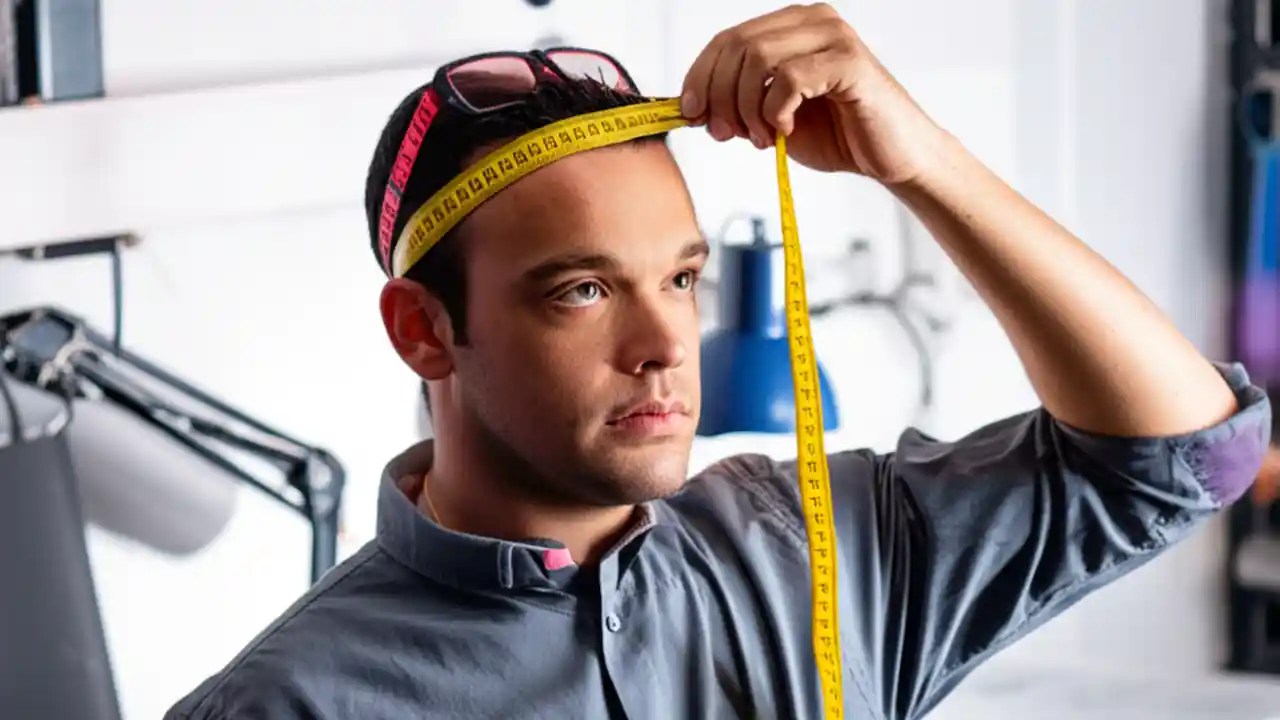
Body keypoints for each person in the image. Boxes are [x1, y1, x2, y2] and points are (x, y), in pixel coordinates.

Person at [165, 5, 1271, 720]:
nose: (663, 347)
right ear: (422, 329)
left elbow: (1184, 456)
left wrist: (920, 162)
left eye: (681, 279)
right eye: (582, 290)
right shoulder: (292, 704)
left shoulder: (810, 552)